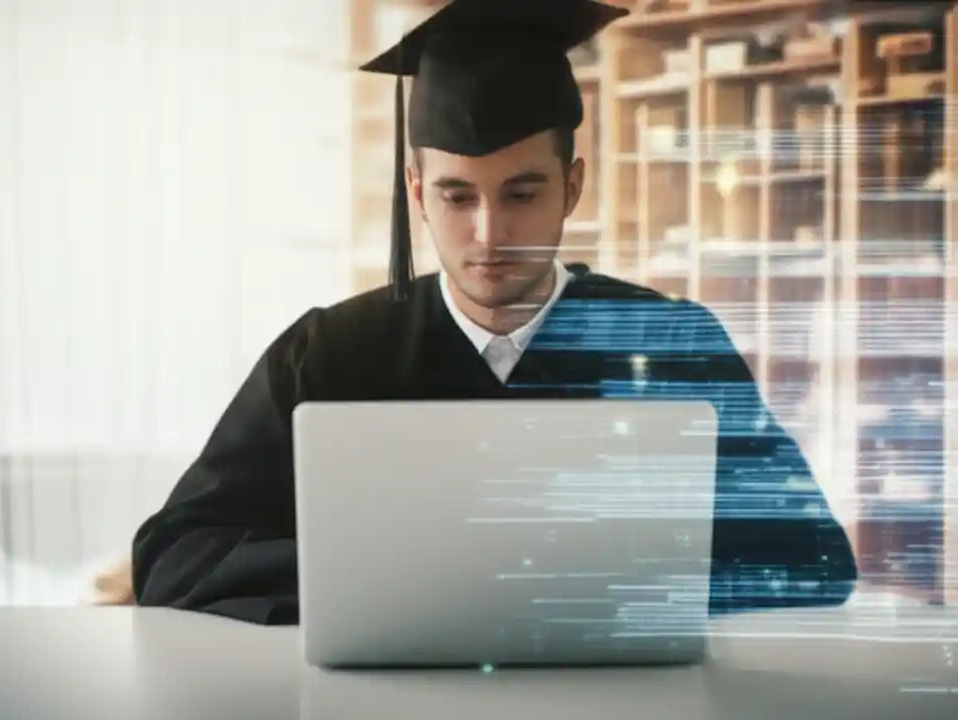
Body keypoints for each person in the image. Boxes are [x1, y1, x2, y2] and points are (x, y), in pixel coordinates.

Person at [131, 0, 856, 626]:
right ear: (417, 192)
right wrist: (375, 571)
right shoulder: (328, 353)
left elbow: (814, 558)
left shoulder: (671, 344)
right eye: (457, 196)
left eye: (522, 193)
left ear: (572, 186)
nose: (489, 234)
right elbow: (173, 554)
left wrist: (593, 575)